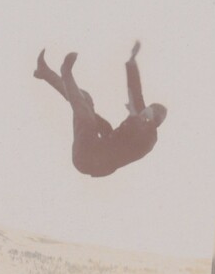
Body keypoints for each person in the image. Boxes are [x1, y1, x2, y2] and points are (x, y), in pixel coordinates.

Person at [34, 42, 168, 178]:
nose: (142, 114)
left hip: (91, 160)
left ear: (153, 121)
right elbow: (135, 91)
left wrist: (137, 117)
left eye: (147, 116)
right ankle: (44, 72)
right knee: (85, 99)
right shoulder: (140, 115)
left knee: (86, 117)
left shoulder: (150, 139)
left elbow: (135, 138)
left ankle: (66, 72)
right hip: (97, 145)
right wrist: (132, 61)